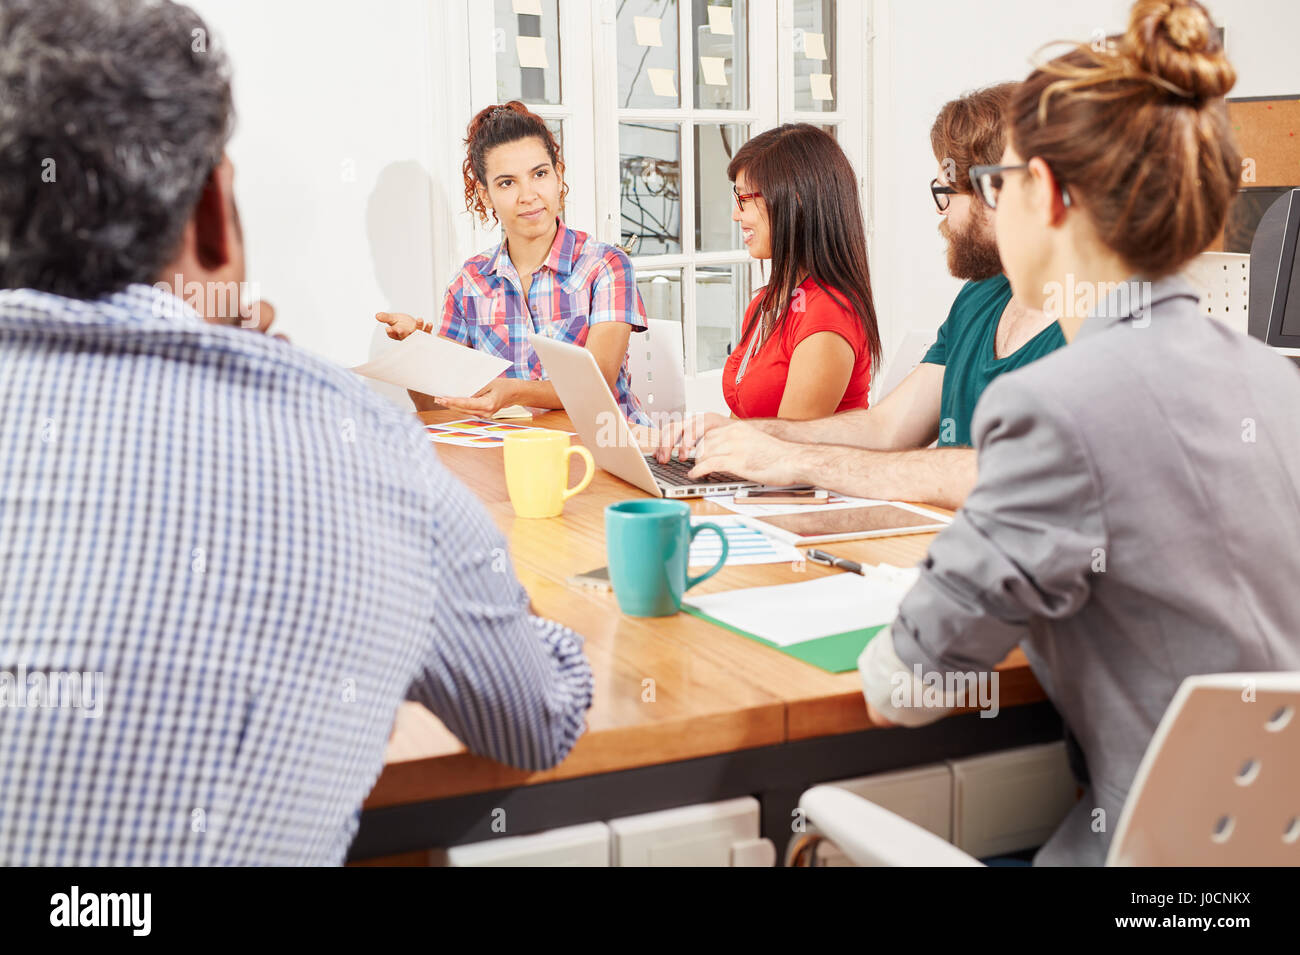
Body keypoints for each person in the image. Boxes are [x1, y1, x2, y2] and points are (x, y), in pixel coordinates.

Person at [0, 0, 591, 865]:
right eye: (507, 180)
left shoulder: (593, 265)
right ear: (214, 217)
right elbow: (537, 715)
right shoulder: (347, 441)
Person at [858, 0, 1300, 866]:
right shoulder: (1279, 385)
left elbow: (901, 687)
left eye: (999, 182)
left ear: (1049, 195)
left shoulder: (1055, 407)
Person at [656, 85, 1063, 510]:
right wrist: (751, 434)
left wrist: (797, 459)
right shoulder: (980, 297)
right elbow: (887, 428)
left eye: (946, 192)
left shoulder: (1097, 324)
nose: (939, 211)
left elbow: (1006, 474)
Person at [376, 102, 649, 423]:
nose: (528, 194)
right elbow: (437, 408)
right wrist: (419, 357)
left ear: (559, 175)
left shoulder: (605, 265)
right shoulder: (468, 283)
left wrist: (514, 391)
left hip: (607, 448)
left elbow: (596, 381)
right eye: (507, 182)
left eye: (540, 174)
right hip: (511, 451)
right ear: (485, 194)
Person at [717, 124, 882, 421]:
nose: (735, 214)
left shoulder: (828, 313)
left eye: (744, 198)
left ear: (794, 201)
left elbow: (789, 449)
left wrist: (715, 434)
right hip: (747, 467)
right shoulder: (765, 303)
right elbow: (741, 417)